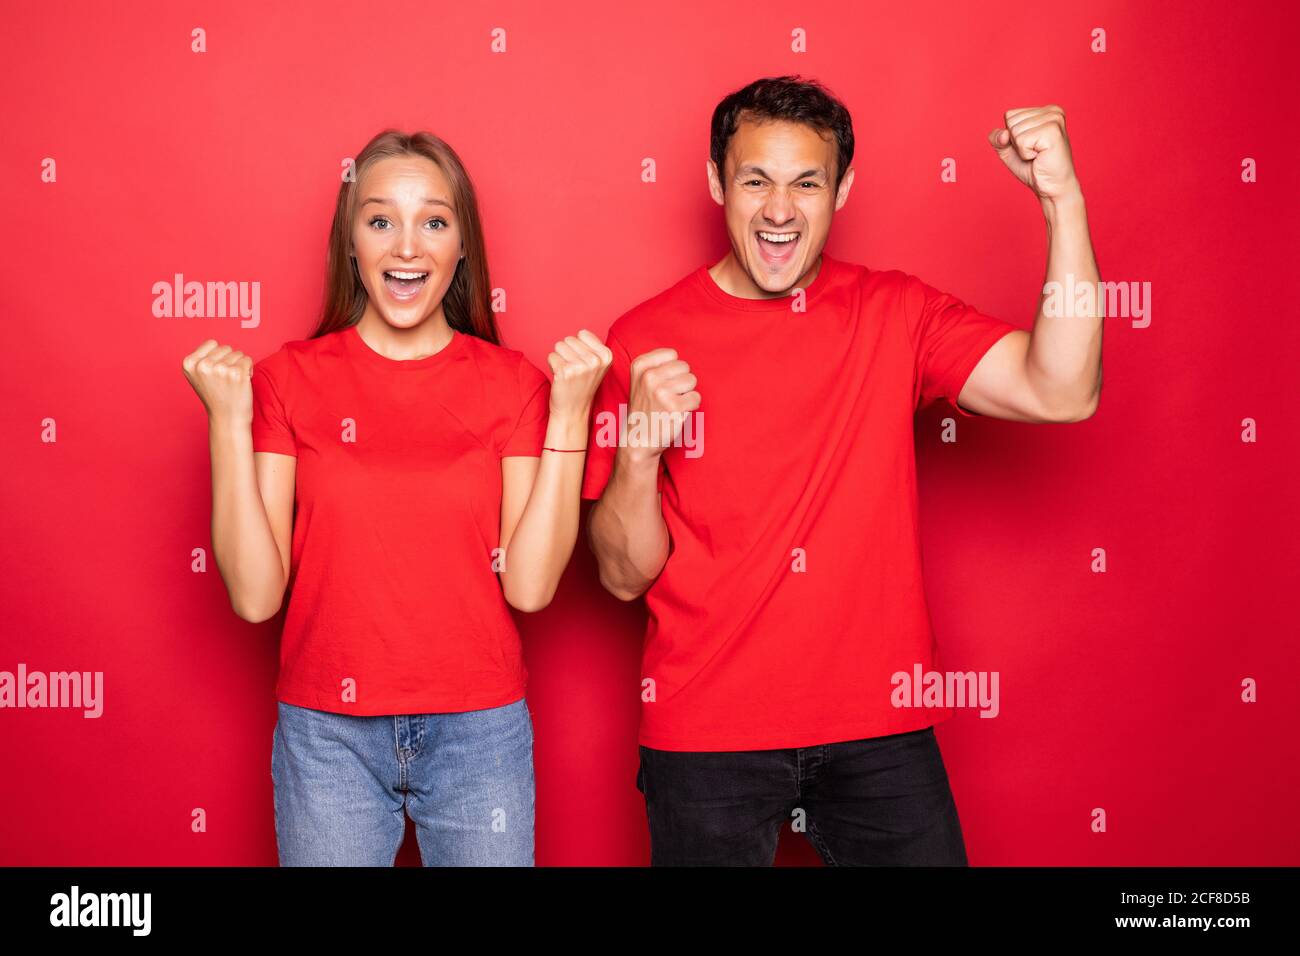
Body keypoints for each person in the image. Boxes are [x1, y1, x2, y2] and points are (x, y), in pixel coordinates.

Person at [583, 76, 1101, 865]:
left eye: (806, 183)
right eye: (755, 179)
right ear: (717, 182)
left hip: (881, 733)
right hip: (707, 737)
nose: (780, 209)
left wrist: (1061, 198)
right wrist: (641, 448)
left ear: (843, 189)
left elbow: (1061, 390)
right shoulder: (644, 339)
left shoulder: (897, 313)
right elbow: (622, 577)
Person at [180, 129, 611, 866]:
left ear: (463, 246)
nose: (406, 246)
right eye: (380, 220)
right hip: (327, 735)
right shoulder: (288, 381)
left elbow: (533, 588)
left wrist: (571, 415)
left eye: (434, 222)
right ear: (350, 243)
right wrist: (229, 421)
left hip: (480, 730)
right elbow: (255, 597)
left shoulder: (514, 386)